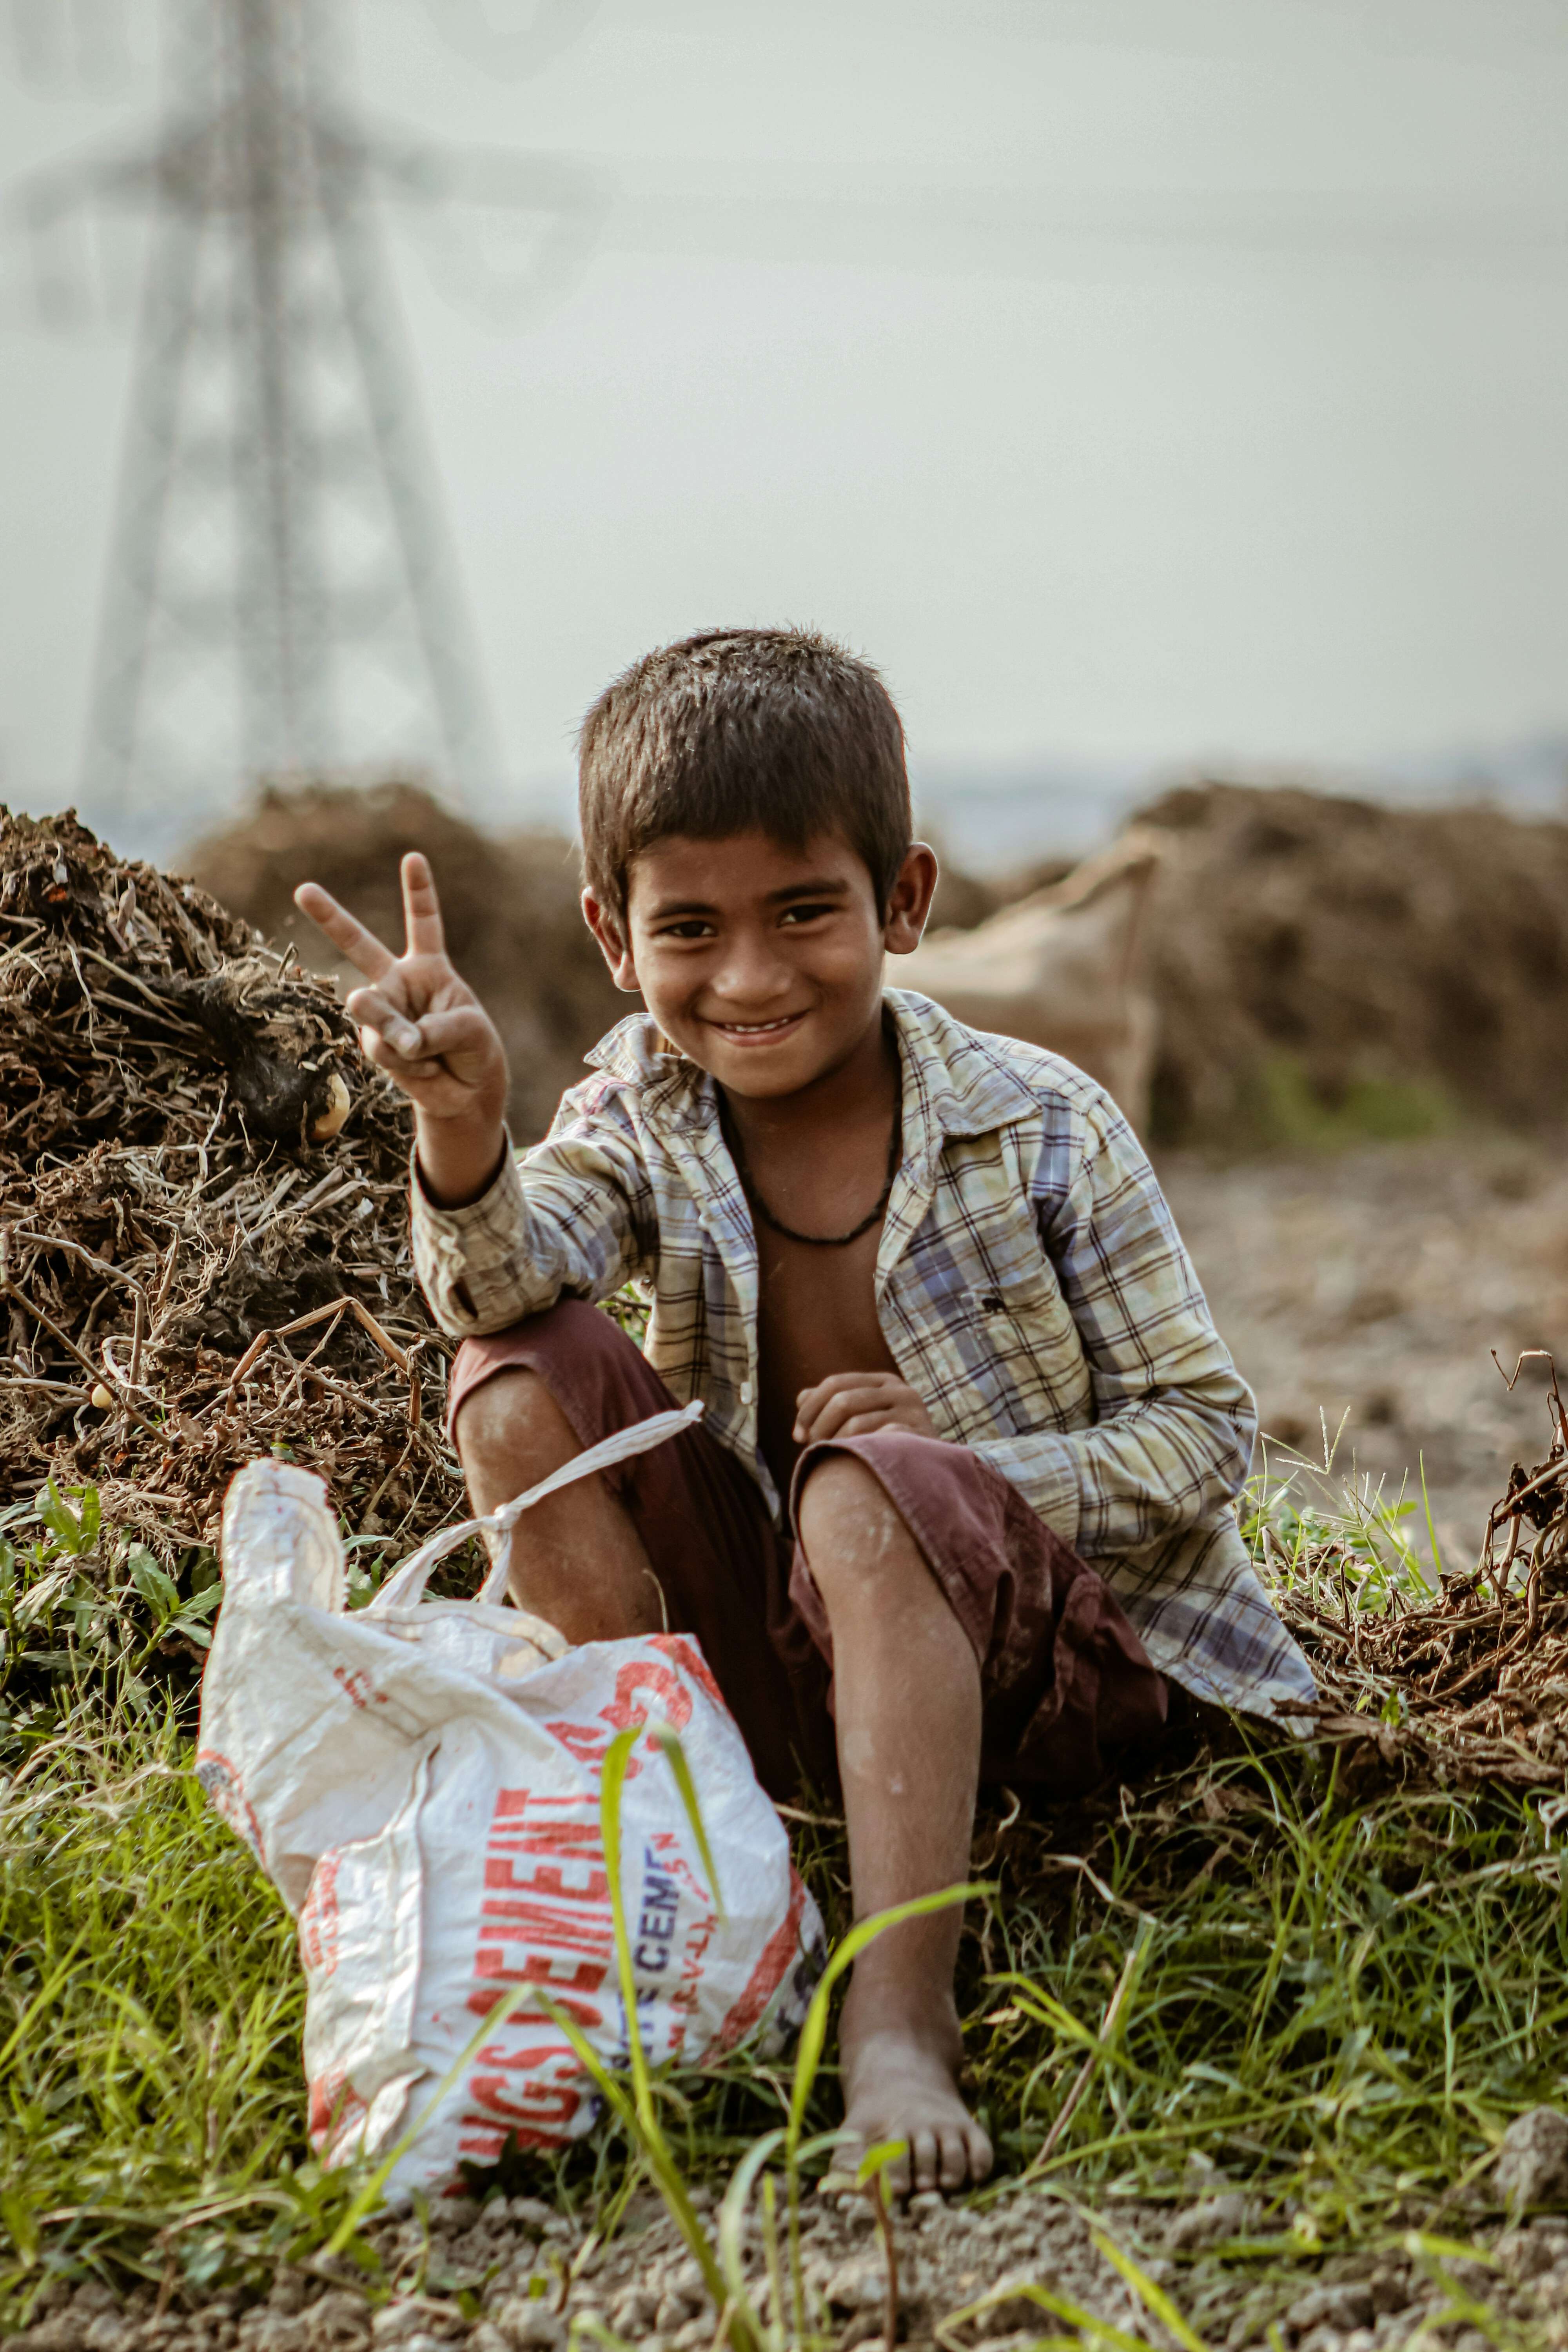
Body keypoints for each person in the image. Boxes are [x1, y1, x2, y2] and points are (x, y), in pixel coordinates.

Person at [296, 626, 1315, 2194]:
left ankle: (896, 2025)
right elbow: (506, 1280)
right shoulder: (634, 1109)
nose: (752, 977)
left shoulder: (1043, 1127)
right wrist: (462, 1130)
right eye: (691, 927)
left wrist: (956, 1465)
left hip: (1041, 1670)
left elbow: (1202, 1434)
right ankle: (707, 1850)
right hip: (783, 1655)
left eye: (803, 914)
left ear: (902, 903)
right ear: (614, 940)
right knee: (512, 1385)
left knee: (859, 1486)